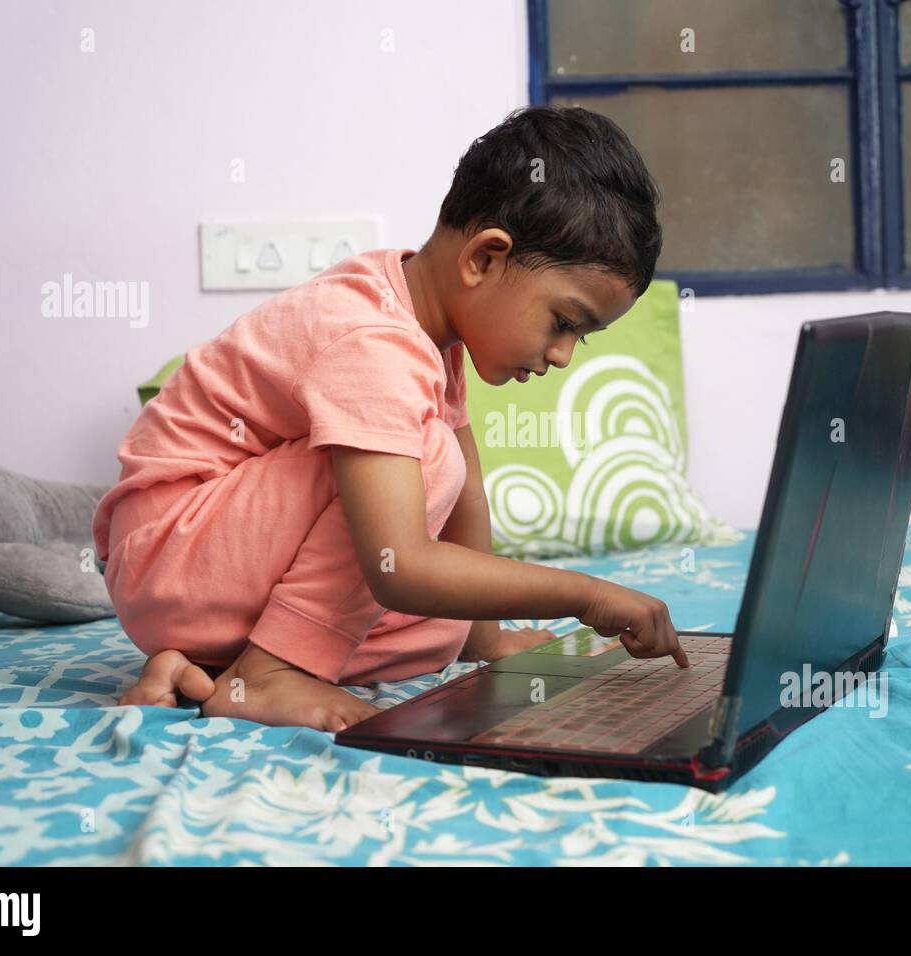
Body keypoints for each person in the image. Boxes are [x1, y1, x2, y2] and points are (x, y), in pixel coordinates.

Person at [94, 105, 688, 732]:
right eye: (564, 322)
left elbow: (470, 498)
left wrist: (482, 639)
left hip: (209, 579)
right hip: (171, 549)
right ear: (485, 258)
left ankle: (202, 667)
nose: (563, 354)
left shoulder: (427, 319)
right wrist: (585, 594)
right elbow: (398, 563)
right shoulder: (372, 340)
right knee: (428, 465)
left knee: (440, 627)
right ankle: (266, 675)